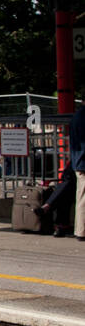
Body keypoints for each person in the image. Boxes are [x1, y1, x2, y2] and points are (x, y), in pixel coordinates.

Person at [71, 100, 85, 240]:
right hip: (83, 162)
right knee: (83, 199)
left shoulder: (77, 116)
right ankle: (81, 231)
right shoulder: (83, 117)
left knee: (81, 197)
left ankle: (81, 230)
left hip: (78, 161)